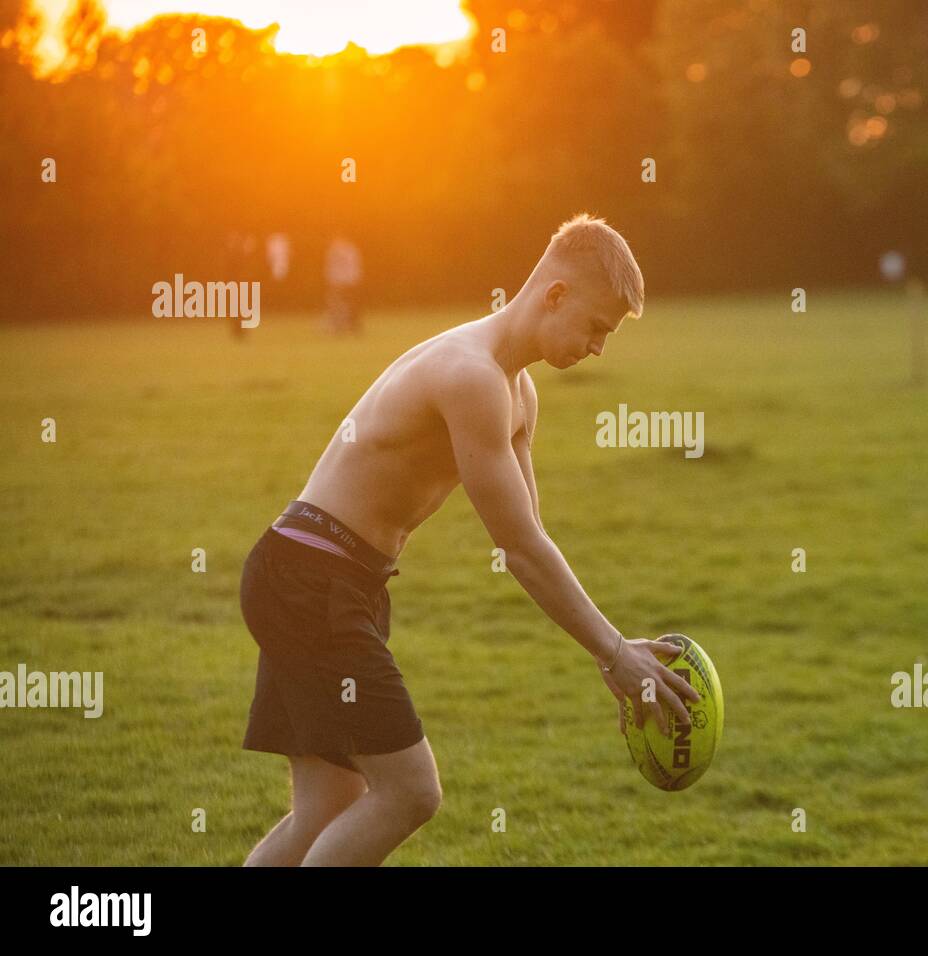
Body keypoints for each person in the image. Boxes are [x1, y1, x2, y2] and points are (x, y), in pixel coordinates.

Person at [238, 213, 698, 866]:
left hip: (325, 578)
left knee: (326, 809)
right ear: (557, 295)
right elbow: (518, 550)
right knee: (409, 793)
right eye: (598, 327)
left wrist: (613, 653)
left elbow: (531, 539)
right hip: (311, 580)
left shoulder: (516, 391)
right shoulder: (470, 376)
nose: (599, 347)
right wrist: (614, 654)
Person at [323, 234, 363, 333]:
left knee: (339, 303)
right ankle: (346, 325)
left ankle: (340, 325)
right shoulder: (351, 249)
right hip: (349, 280)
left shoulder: (336, 251)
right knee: (345, 303)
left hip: (341, 281)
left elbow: (333, 267)